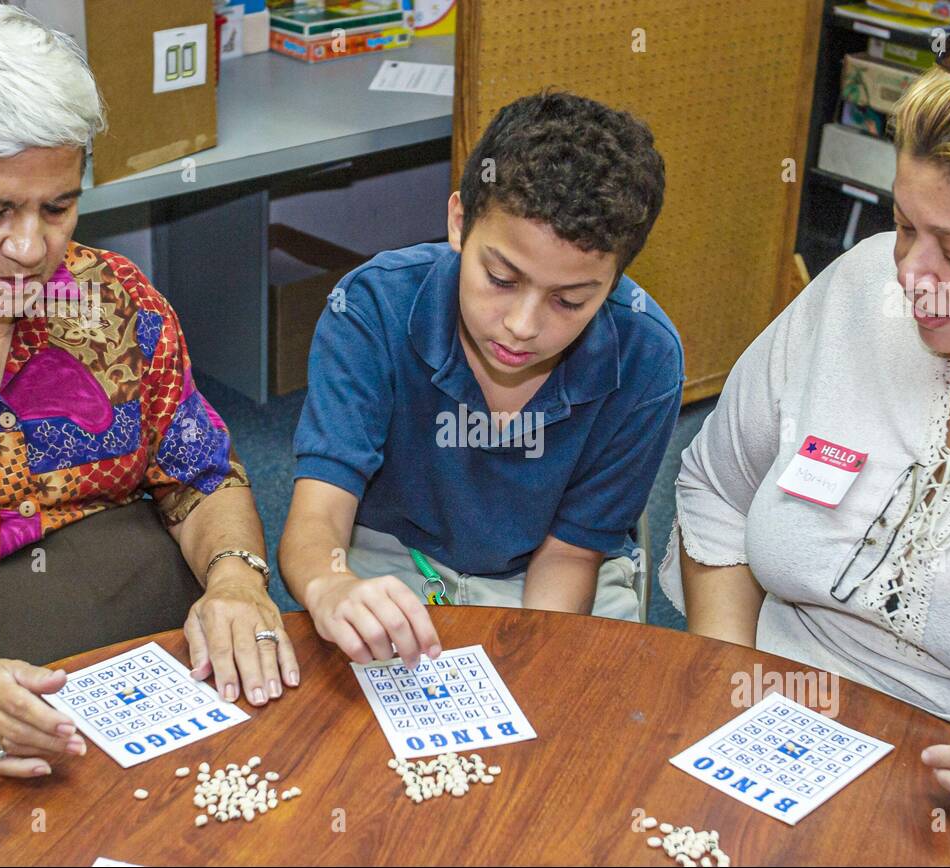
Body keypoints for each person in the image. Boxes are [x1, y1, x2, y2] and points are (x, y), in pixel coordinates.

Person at [661, 33, 950, 842]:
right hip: (765, 743)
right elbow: (716, 489)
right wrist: (727, 678)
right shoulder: (866, 288)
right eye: (903, 223)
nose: (909, 273)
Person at [0, 4, 297, 774]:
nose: (30, 248)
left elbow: (201, 475)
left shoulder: (113, 299)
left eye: (57, 207)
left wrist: (236, 577)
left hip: (144, 647)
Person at [279, 91, 683, 669]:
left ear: (614, 281)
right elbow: (319, 511)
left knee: (579, 699)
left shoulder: (646, 355)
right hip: (396, 559)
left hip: (554, 572)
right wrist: (330, 585)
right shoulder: (372, 307)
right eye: (500, 278)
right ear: (459, 221)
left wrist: (532, 659)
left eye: (569, 301)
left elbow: (571, 554)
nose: (522, 326)